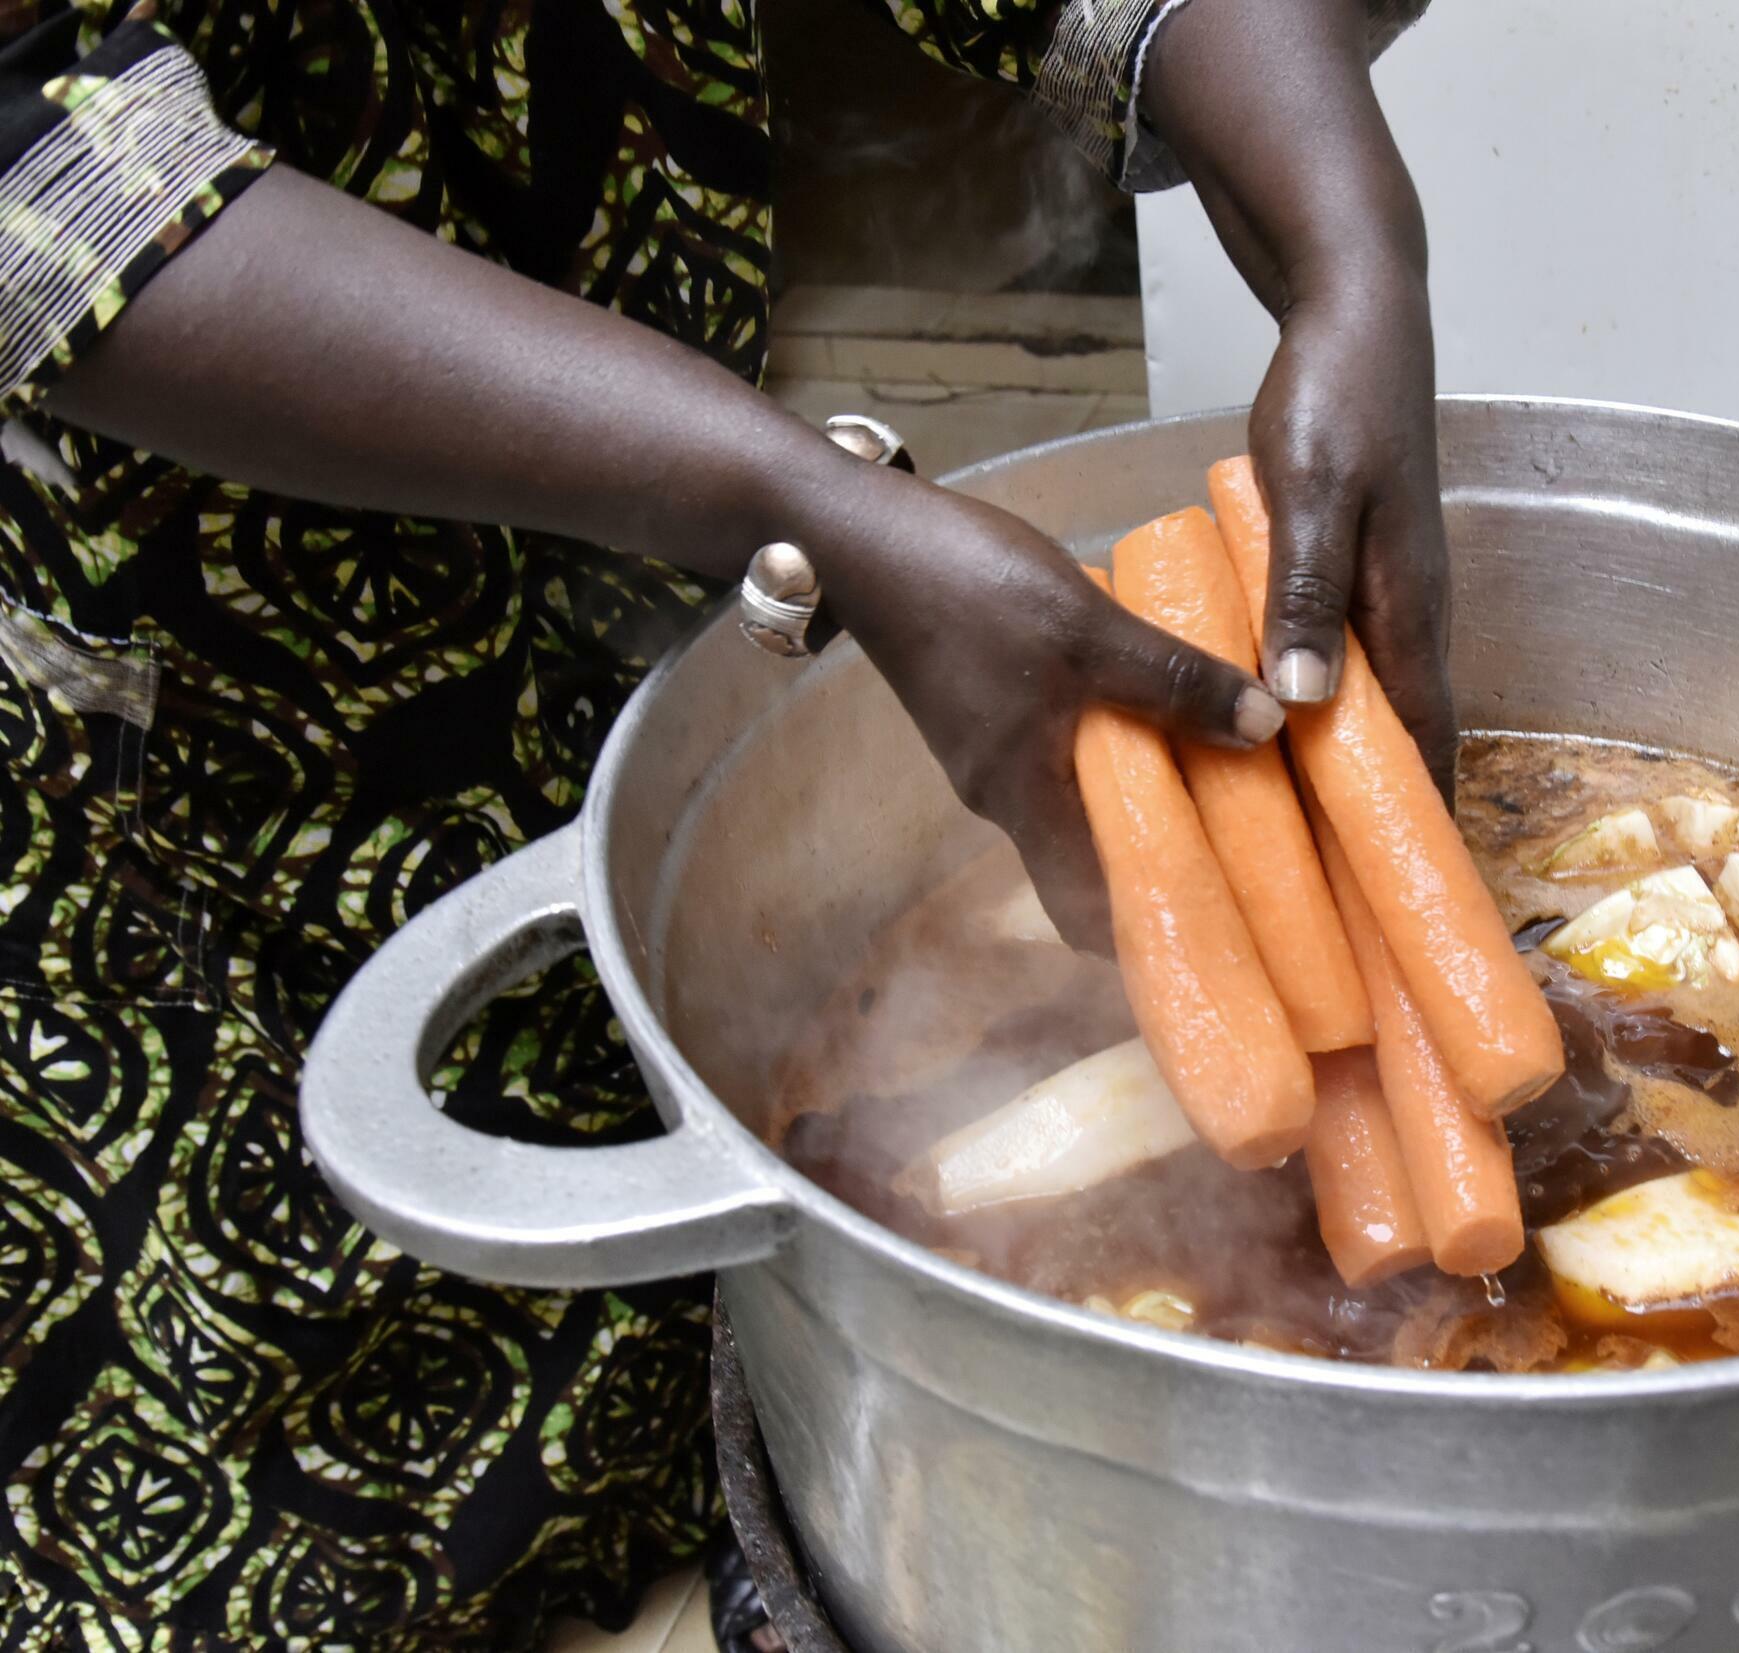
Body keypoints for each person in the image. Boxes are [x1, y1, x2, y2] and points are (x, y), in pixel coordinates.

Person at [0, 0, 1452, 1646]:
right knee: (308, 1446)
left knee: (713, 1259)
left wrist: (1355, 249)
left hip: (631, 570)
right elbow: (31, 177)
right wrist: (802, 500)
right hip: (222, 741)